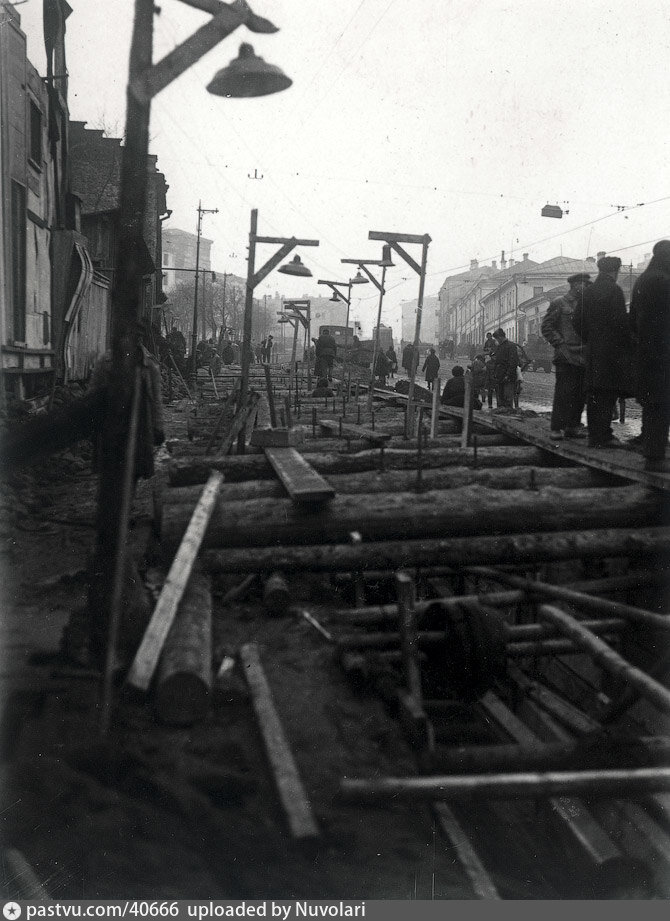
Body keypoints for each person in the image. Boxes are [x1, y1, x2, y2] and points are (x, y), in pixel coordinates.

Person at [574, 256, 634, 448]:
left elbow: (576, 320)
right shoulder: (614, 290)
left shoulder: (588, 291)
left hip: (593, 349)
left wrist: (589, 339)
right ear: (615, 271)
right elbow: (620, 322)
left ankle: (594, 436)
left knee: (593, 392)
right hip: (611, 351)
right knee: (608, 392)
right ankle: (604, 436)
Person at [629, 239, 670, 471]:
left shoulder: (643, 280)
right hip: (664, 351)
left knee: (653, 403)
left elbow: (633, 320)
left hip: (647, 350)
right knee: (662, 402)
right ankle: (655, 459)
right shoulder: (665, 281)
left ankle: (652, 452)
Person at [541, 273, 590, 439]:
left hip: (583, 355)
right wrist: (560, 343)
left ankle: (573, 426)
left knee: (580, 394)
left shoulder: (585, 304)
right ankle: (556, 428)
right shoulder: (559, 303)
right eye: (584, 284)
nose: (586, 287)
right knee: (563, 392)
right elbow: (547, 327)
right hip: (565, 355)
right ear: (575, 284)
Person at [490, 328, 518, 408]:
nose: (496, 341)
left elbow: (513, 362)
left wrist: (508, 375)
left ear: (500, 337)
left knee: (507, 399)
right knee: (500, 400)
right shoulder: (500, 346)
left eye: (497, 339)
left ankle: (507, 417)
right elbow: (497, 361)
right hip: (499, 376)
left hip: (508, 377)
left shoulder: (511, 346)